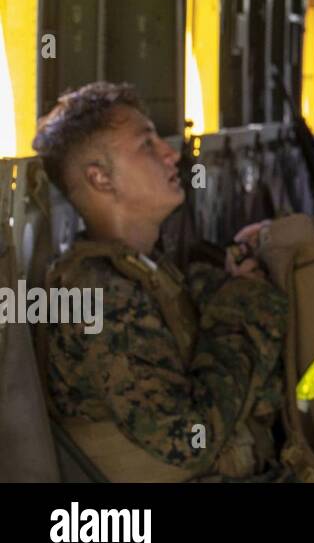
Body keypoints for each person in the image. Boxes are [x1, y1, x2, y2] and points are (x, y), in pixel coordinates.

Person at [34, 82, 287, 481]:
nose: (171, 155)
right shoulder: (98, 296)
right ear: (101, 178)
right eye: (147, 146)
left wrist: (226, 282)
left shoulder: (141, 268)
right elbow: (189, 438)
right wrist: (244, 308)